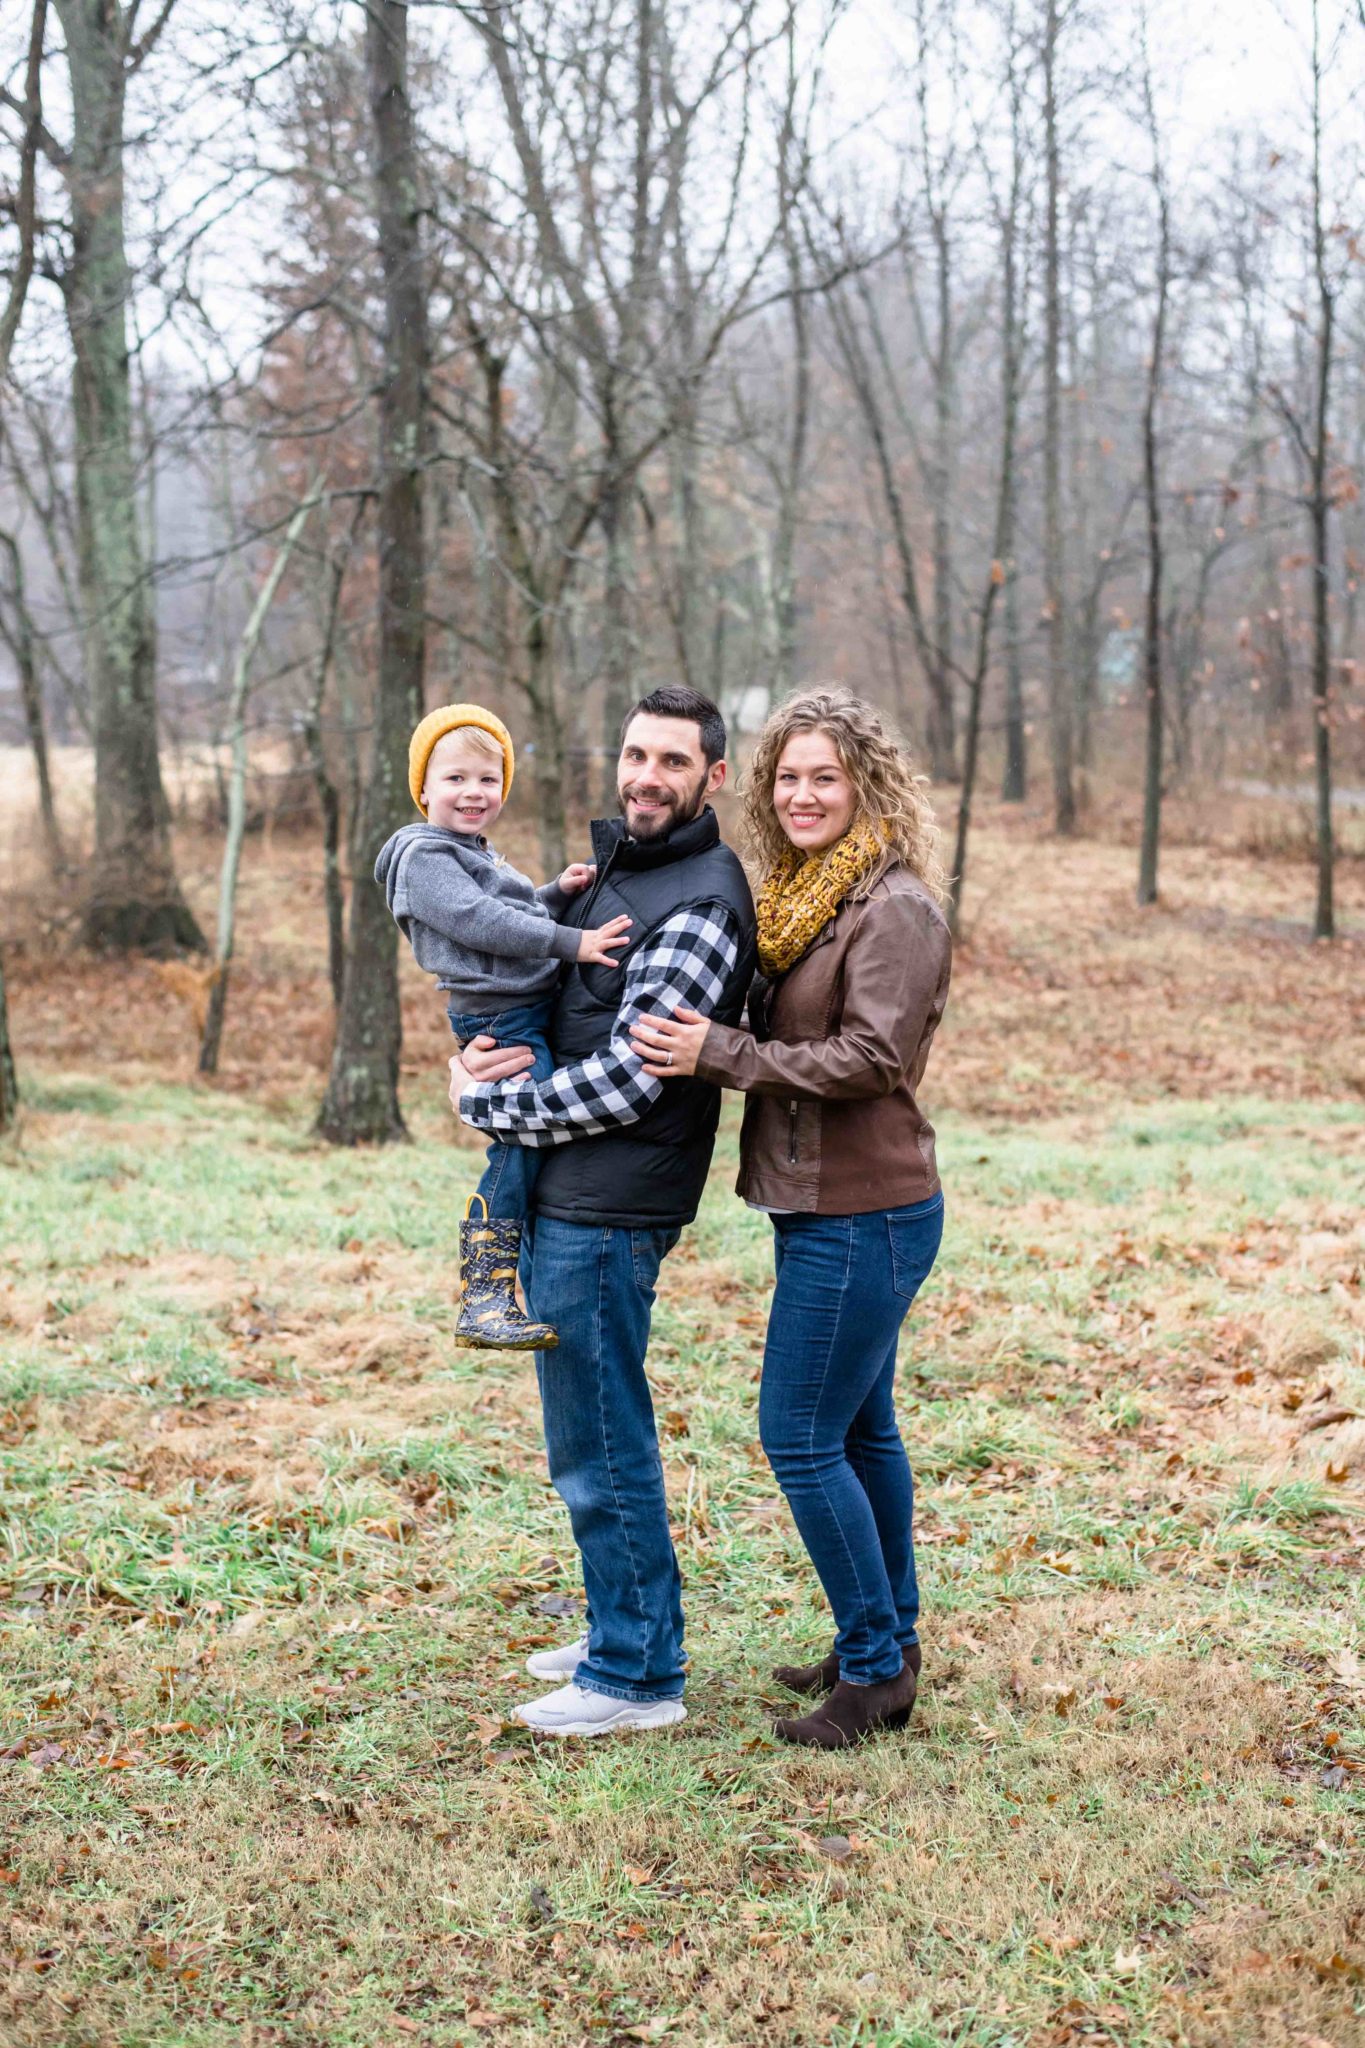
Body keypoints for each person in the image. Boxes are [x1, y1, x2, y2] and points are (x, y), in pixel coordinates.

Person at [630, 687, 951, 1750]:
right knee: (861, 1430)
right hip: (828, 1201)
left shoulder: (893, 905)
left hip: (867, 1207)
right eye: (788, 776)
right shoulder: (811, 892)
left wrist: (718, 1052)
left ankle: (873, 1673)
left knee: (800, 1434)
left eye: (825, 775)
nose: (803, 793)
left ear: (865, 784)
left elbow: (873, 1058)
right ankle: (888, 1643)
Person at [448, 686, 757, 1738]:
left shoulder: (702, 899)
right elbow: (536, 994)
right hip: (573, 1190)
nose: (646, 776)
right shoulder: (627, 867)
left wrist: (490, 1100)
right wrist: (476, 1056)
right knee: (585, 1433)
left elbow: (631, 1079)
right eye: (635, 754)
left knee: (601, 1442)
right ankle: (622, 1628)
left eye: (673, 761)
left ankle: (634, 1674)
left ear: (714, 777)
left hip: (610, 1204)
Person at [377, 703, 632, 1350]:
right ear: (424, 788)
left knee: (532, 1140)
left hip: (518, 1006)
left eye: (487, 780)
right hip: (500, 1016)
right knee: (523, 1138)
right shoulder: (423, 857)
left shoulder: (470, 852)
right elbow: (481, 924)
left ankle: (510, 1287)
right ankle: (484, 1296)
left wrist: (551, 893)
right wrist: (571, 940)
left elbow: (501, 912)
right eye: (455, 778)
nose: (473, 793)